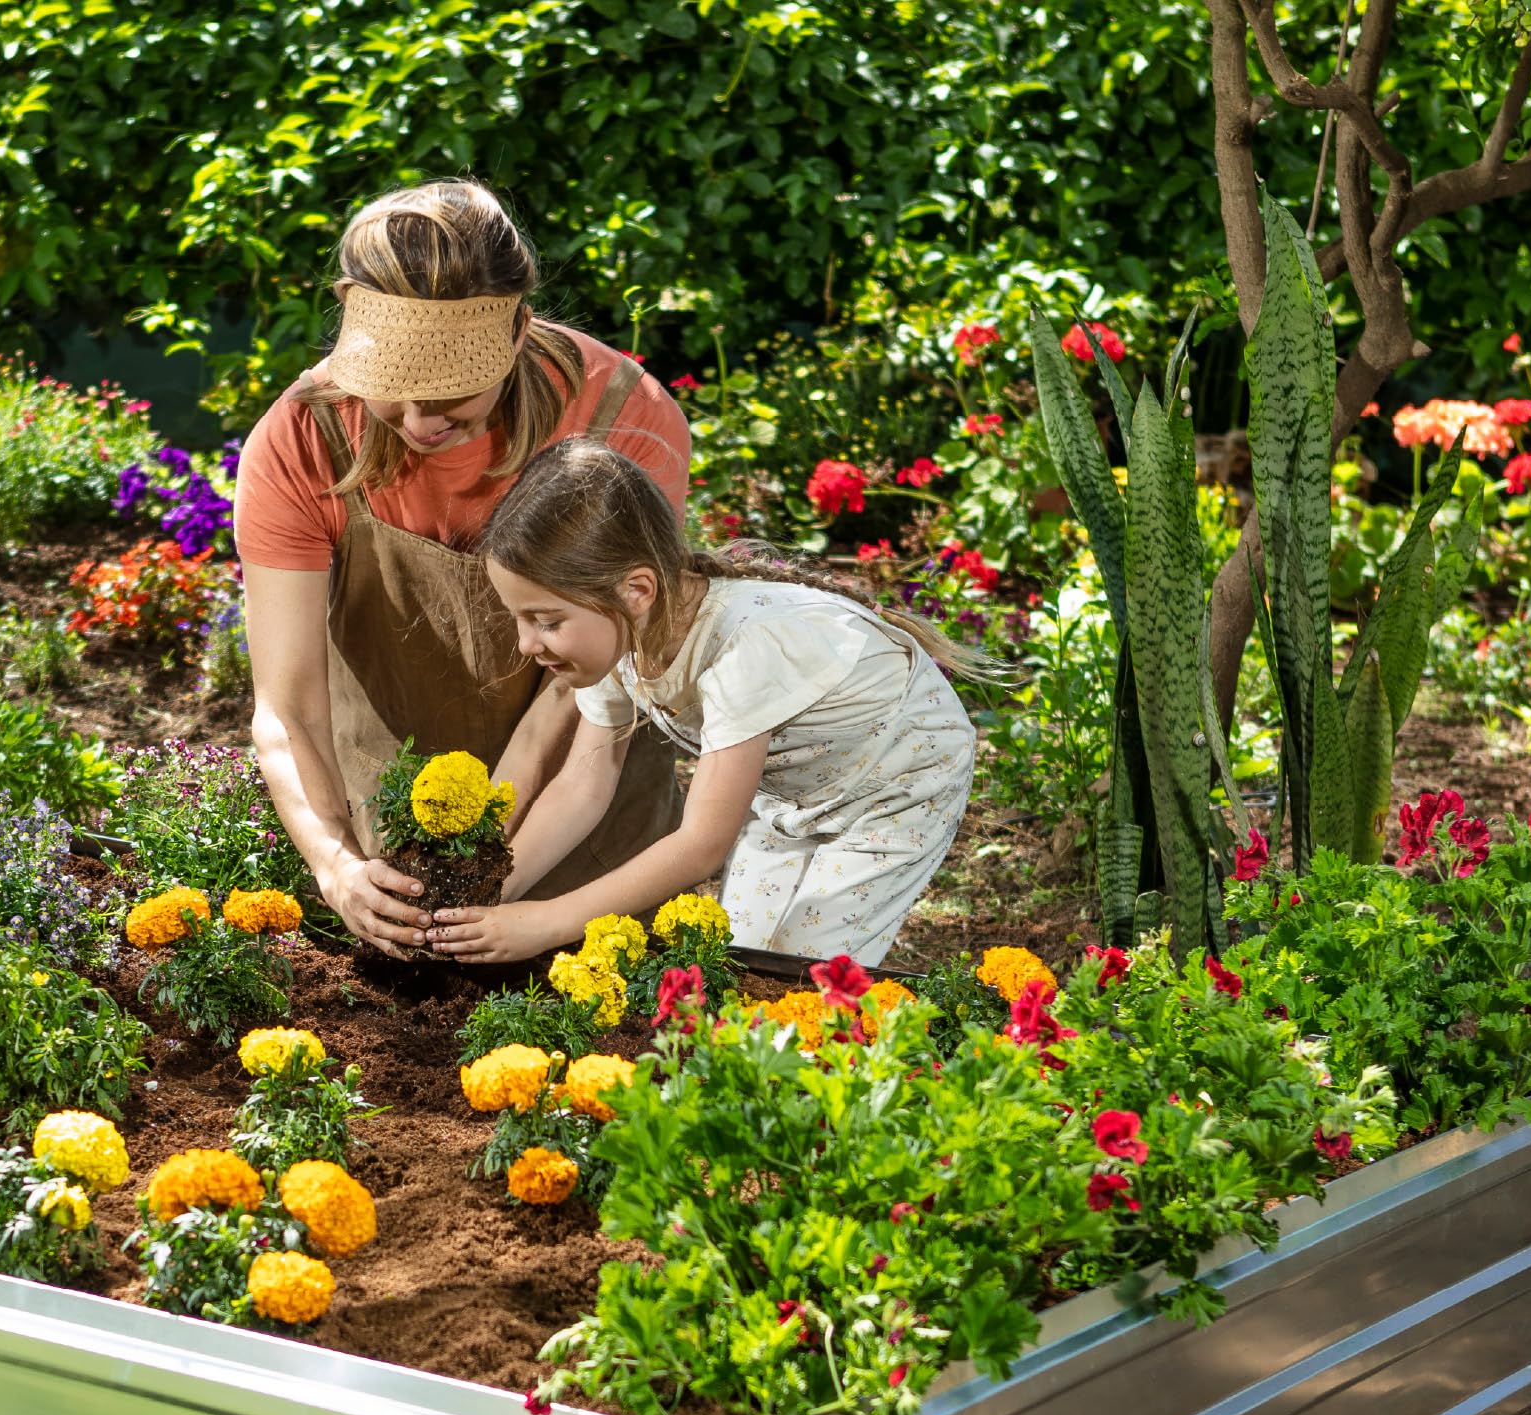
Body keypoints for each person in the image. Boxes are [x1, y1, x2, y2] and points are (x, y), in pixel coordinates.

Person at [235, 180, 691, 957]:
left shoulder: (622, 418)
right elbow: (288, 707)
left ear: (517, 328)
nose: (420, 423)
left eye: (452, 396)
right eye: (393, 394)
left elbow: (579, 692)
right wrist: (338, 866)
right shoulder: (304, 439)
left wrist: (488, 868)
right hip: (394, 808)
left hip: (588, 806)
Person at [426, 440, 982, 967]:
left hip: (898, 784)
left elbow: (701, 846)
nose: (527, 644)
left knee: (805, 977)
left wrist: (547, 923)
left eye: (546, 621)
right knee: (742, 962)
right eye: (520, 619)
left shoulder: (745, 651)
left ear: (636, 590)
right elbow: (581, 788)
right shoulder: (625, 638)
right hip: (797, 797)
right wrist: (495, 889)